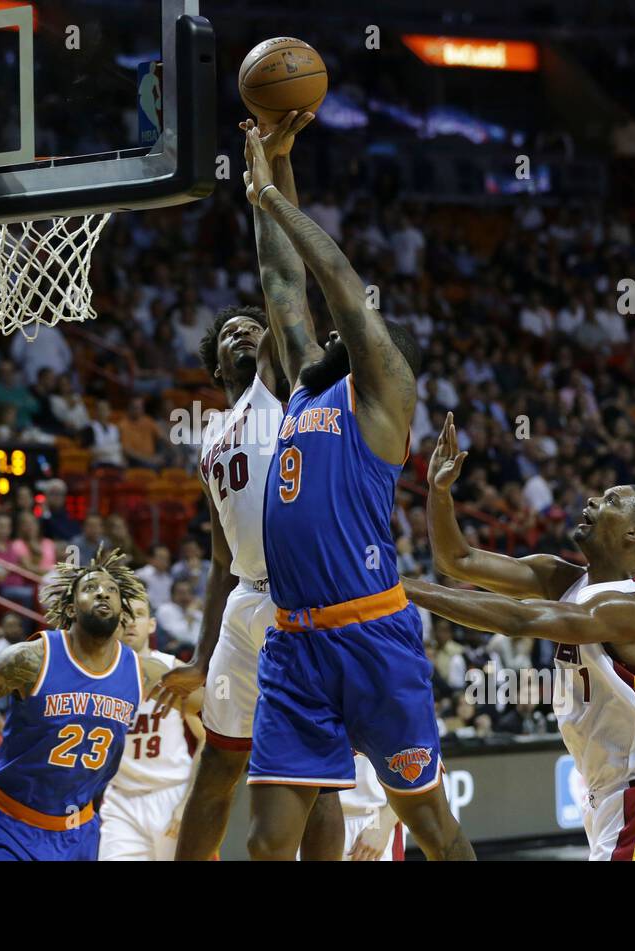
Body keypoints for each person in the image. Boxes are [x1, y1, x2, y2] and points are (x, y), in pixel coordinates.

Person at [213, 124, 470, 860]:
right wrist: (278, 163)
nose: (324, 337)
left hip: (371, 638)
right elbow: (284, 282)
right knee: (267, 844)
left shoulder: (383, 397)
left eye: (347, 337)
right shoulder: (303, 389)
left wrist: (271, 196)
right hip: (294, 642)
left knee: (429, 827)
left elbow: (338, 282)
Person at [151, 112, 344, 861]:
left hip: (304, 596)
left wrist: (269, 181)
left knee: (315, 776)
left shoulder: (286, 391)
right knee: (220, 760)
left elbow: (284, 282)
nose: (242, 332)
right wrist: (199, 656)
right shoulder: (212, 434)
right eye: (227, 333)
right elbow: (215, 557)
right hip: (244, 602)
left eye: (250, 327)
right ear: (214, 364)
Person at [404, 417, 635, 860]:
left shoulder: (632, 607)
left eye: (612, 501)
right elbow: (457, 560)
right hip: (607, 795)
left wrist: (398, 586)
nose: (594, 500)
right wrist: (440, 494)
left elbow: (519, 620)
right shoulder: (557, 575)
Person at [0, 549, 198, 860]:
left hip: (77, 833)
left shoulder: (141, 672)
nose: (103, 594)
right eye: (91, 588)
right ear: (71, 608)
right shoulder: (32, 660)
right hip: (5, 828)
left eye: (111, 590)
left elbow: (212, 707)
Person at [99, 597, 204, 861]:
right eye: (123, 616)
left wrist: (188, 802)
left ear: (152, 624)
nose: (131, 622)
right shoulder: (97, 676)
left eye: (139, 614)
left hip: (172, 793)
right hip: (120, 800)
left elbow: (208, 739)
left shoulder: (174, 670)